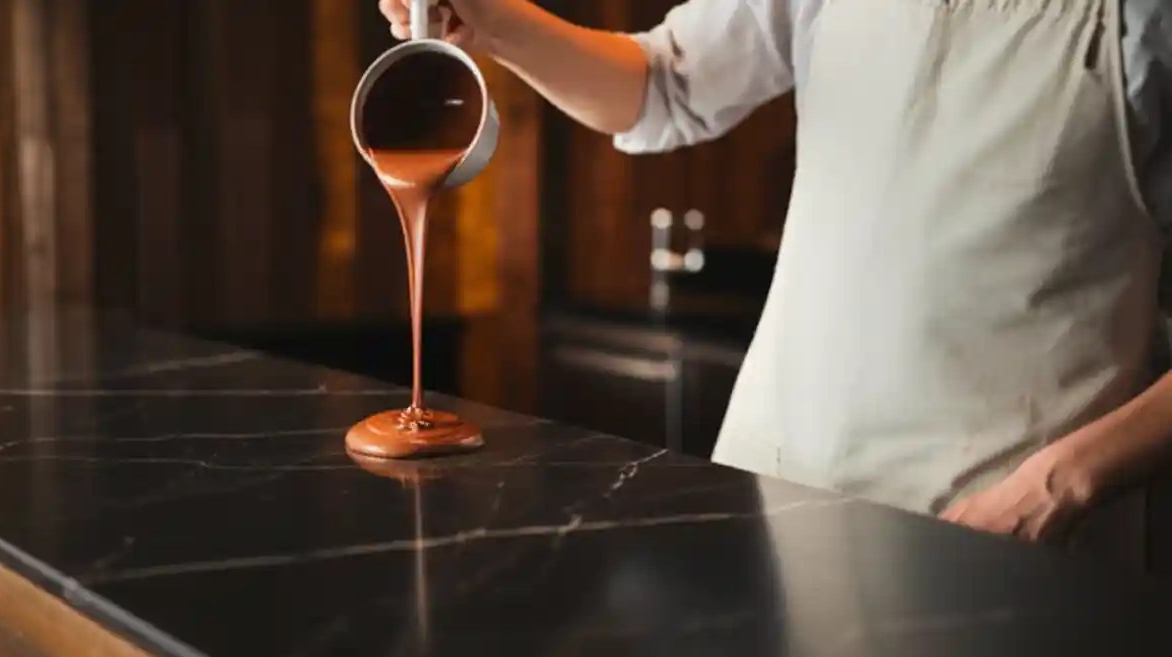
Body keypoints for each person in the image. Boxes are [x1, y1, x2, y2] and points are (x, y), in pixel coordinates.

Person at [379, 0, 1172, 547]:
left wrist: (1064, 485)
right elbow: (663, 88)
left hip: (1006, 527)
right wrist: (493, 17)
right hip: (780, 489)